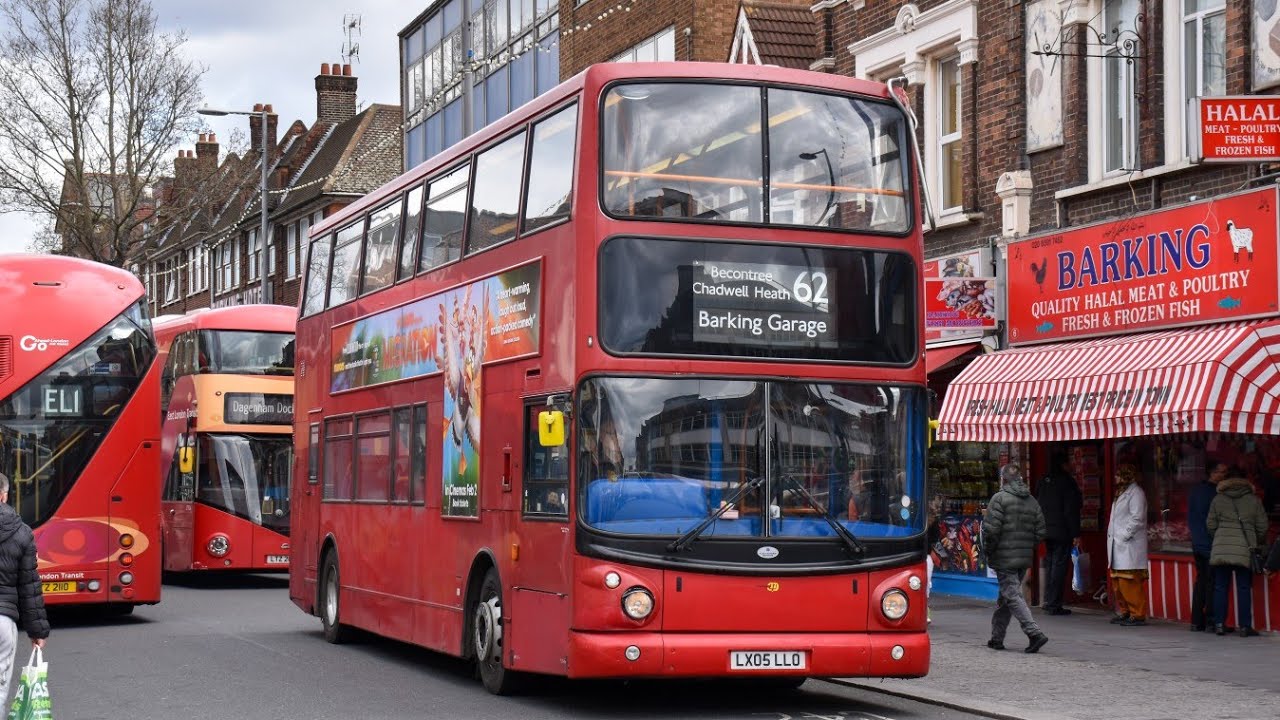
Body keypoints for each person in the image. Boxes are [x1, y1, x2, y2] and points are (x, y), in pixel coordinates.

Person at [982, 464, 1049, 653]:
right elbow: (1041, 531)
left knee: (1012, 595)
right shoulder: (1032, 501)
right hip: (1023, 558)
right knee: (1006, 597)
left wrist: (990, 550)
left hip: (1004, 557)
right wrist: (1027, 546)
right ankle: (997, 638)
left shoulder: (999, 499)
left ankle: (1034, 632)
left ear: (1003, 479)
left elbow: (991, 531)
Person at [0, 473, 49, 710]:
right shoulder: (21, 532)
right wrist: (36, 631)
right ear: (4, 495)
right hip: (3, 620)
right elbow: (29, 584)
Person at [1206, 468, 1269, 637]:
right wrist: (1256, 540)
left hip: (1221, 548)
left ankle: (1219, 624)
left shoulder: (1218, 499)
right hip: (1245, 548)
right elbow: (1262, 527)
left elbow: (1210, 525)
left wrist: (1220, 538)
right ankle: (1245, 627)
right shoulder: (1253, 500)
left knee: (1220, 587)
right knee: (1243, 587)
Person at [1037, 452, 1082, 615]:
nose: (1071, 465)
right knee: (1059, 566)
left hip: (1046, 529)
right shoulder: (1067, 482)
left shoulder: (1043, 480)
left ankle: (1048, 600)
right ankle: (1054, 603)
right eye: (1069, 462)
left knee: (1050, 564)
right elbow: (1071, 510)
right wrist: (1076, 533)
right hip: (1062, 530)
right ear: (1063, 464)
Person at [1106, 464, 1149, 627]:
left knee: (1129, 582)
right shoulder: (1121, 493)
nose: (1116, 478)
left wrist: (1124, 535)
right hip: (1117, 545)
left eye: (1119, 475)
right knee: (1118, 582)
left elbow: (1137, 518)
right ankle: (1125, 611)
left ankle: (1137, 613)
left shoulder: (1136, 493)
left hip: (1128, 544)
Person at [1187, 463, 1224, 632]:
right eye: (1221, 472)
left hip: (1197, 542)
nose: (1224, 475)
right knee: (1211, 582)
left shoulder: (1196, 491)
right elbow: (1212, 521)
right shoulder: (1214, 494)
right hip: (1209, 543)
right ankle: (1211, 620)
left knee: (1201, 581)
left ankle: (1196, 620)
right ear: (1212, 472)